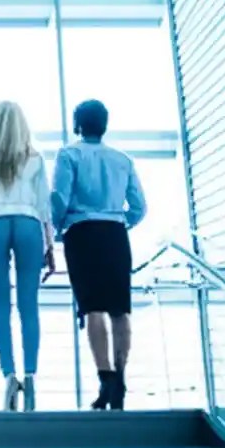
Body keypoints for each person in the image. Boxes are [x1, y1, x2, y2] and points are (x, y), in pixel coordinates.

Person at [51, 99, 146, 411]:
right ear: (104, 125)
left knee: (92, 308)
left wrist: (58, 228)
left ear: (78, 124)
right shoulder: (122, 159)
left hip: (82, 233)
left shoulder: (69, 154)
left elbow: (59, 199)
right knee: (120, 309)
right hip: (115, 234)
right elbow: (139, 207)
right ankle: (120, 378)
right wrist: (121, 222)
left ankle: (105, 378)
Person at [0, 101, 55, 412]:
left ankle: (9, 374)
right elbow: (45, 206)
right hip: (29, 224)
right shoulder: (34, 159)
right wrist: (50, 246)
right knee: (29, 305)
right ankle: (30, 375)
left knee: (0, 306)